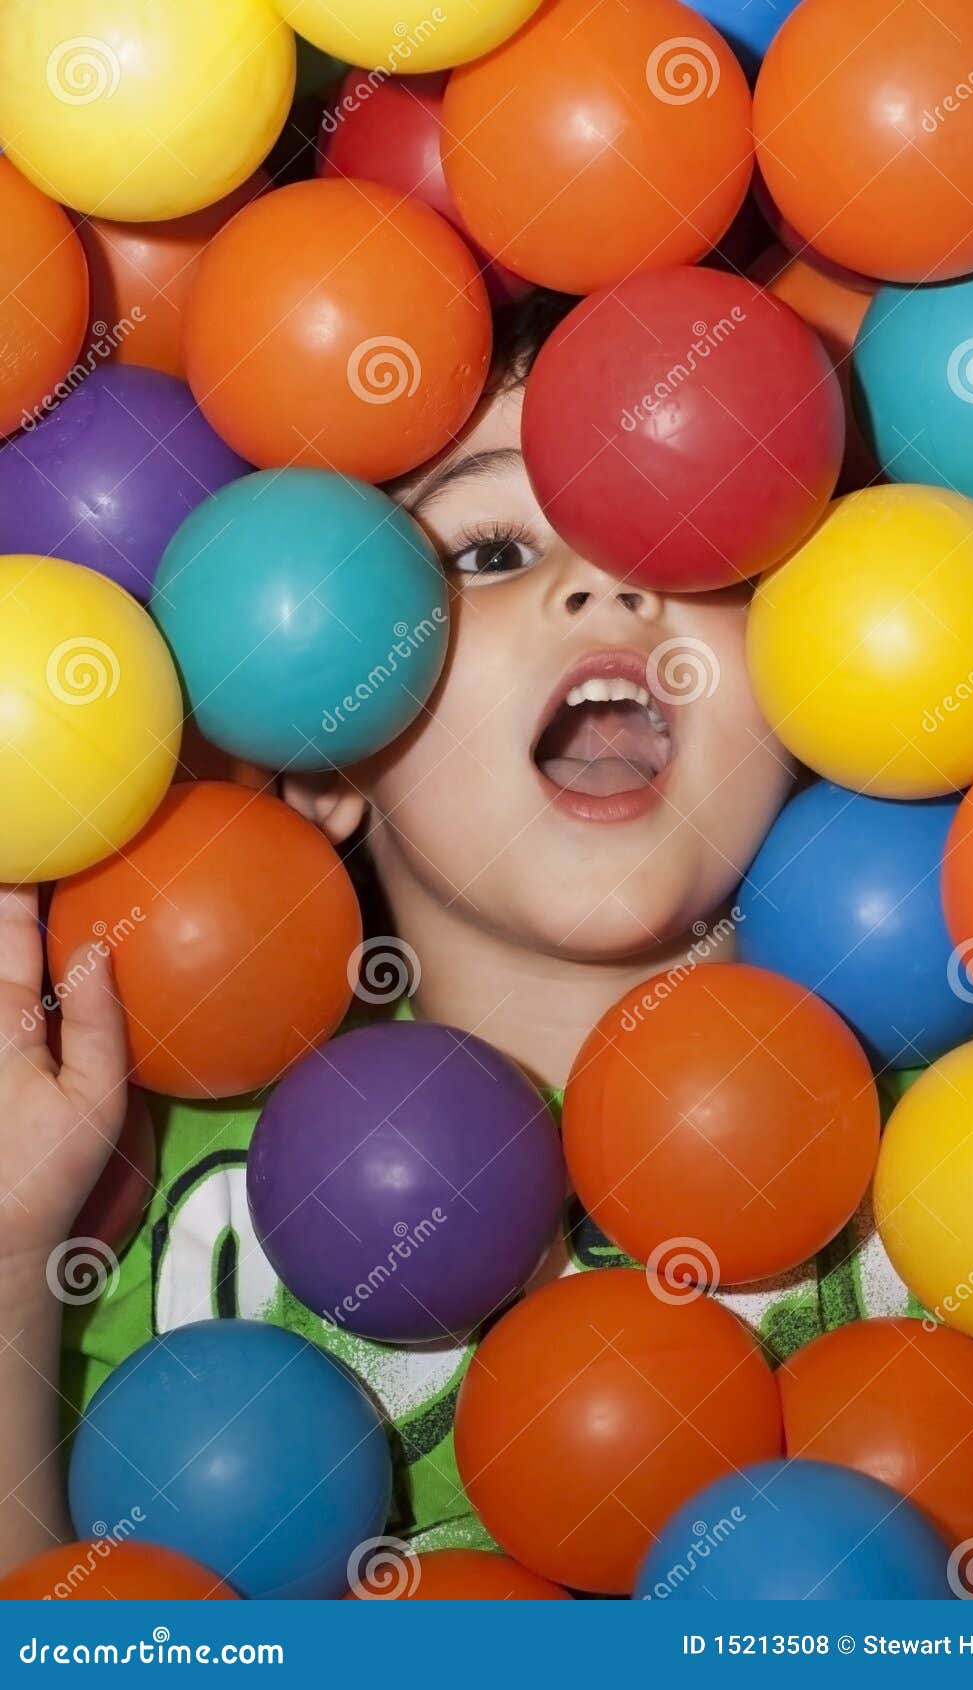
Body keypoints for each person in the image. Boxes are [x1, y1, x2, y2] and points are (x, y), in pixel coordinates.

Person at [0, 291, 912, 1580]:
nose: (606, 580)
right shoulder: (170, 1201)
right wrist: (14, 1262)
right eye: (490, 552)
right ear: (318, 737)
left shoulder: (963, 1149)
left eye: (684, 524)